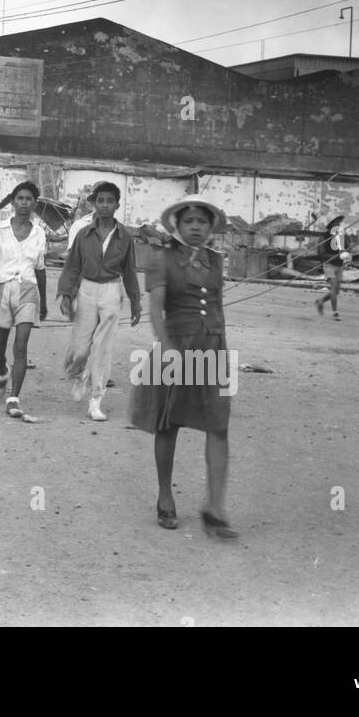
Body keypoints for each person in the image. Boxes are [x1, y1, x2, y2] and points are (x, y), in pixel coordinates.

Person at [130, 196, 237, 539]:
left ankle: (215, 508)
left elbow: (216, 307)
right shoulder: (161, 259)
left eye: (202, 222)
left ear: (210, 227)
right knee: (168, 424)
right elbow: (157, 310)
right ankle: (165, 495)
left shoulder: (217, 261)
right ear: (177, 224)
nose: (195, 228)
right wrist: (166, 349)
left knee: (219, 426)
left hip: (214, 349)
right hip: (175, 347)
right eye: (189, 221)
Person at [58, 181, 142, 421]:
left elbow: (130, 270)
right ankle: (78, 373)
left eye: (109, 201)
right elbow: (72, 266)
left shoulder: (125, 235)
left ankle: (96, 400)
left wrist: (135, 303)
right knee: (81, 348)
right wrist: (66, 294)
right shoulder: (83, 233)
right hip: (87, 289)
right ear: (93, 204)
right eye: (100, 201)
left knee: (103, 347)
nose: (105, 205)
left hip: (112, 291)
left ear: (117, 205)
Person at [0, 181, 48, 420]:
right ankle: (1, 373)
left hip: (28, 290)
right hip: (2, 290)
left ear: (34, 203)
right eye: (20, 198)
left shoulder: (39, 233)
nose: (24, 203)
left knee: (21, 346)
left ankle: (13, 398)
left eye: (29, 199)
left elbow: (40, 268)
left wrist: (45, 301)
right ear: (12, 201)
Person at [314, 216, 351, 321]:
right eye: (337, 222)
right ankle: (335, 312)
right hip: (328, 265)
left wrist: (347, 250)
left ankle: (320, 301)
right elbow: (321, 253)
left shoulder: (341, 236)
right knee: (334, 289)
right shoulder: (324, 237)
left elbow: (346, 249)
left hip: (339, 265)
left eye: (339, 222)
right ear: (331, 224)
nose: (339, 224)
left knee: (337, 291)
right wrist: (332, 256)